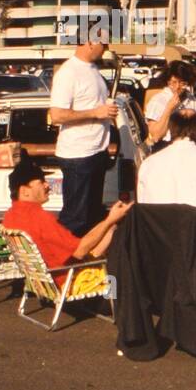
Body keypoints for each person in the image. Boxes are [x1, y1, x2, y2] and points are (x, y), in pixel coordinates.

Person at [3, 156, 132, 289]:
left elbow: (79, 250)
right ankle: (121, 306)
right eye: (41, 182)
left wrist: (110, 223)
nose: (47, 185)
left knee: (114, 231)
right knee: (127, 268)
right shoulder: (40, 218)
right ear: (24, 191)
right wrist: (110, 220)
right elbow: (80, 251)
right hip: (70, 280)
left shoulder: (10, 217)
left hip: (47, 281)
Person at [47, 29, 118, 235]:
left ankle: (86, 262)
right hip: (78, 154)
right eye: (103, 44)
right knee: (76, 218)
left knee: (93, 216)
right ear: (89, 42)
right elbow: (57, 115)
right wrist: (96, 112)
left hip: (96, 151)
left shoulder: (93, 70)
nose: (105, 49)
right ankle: (65, 262)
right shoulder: (68, 73)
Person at [144, 60, 196, 148]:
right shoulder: (158, 100)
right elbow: (155, 136)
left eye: (182, 83)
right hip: (165, 147)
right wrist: (169, 108)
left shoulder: (191, 99)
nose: (177, 87)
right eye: (174, 82)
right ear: (167, 81)